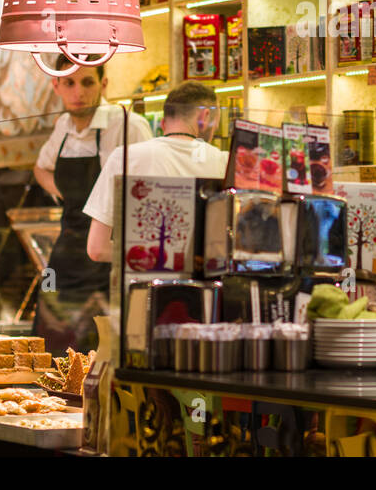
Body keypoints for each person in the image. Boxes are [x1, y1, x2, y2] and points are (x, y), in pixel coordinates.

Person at [31, 56, 151, 353]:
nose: (79, 93)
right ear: (56, 86)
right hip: (66, 252)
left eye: (87, 82)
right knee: (51, 342)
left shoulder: (128, 125)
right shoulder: (63, 125)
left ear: (103, 84)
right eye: (69, 83)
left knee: (100, 349)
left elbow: (150, 186)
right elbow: (40, 168)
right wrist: (65, 194)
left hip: (106, 253)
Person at [84, 81, 229, 267]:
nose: (214, 131)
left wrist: (152, 256)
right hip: (207, 280)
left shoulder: (125, 156)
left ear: (163, 123)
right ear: (205, 116)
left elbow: (97, 249)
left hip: (142, 282)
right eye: (216, 125)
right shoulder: (225, 162)